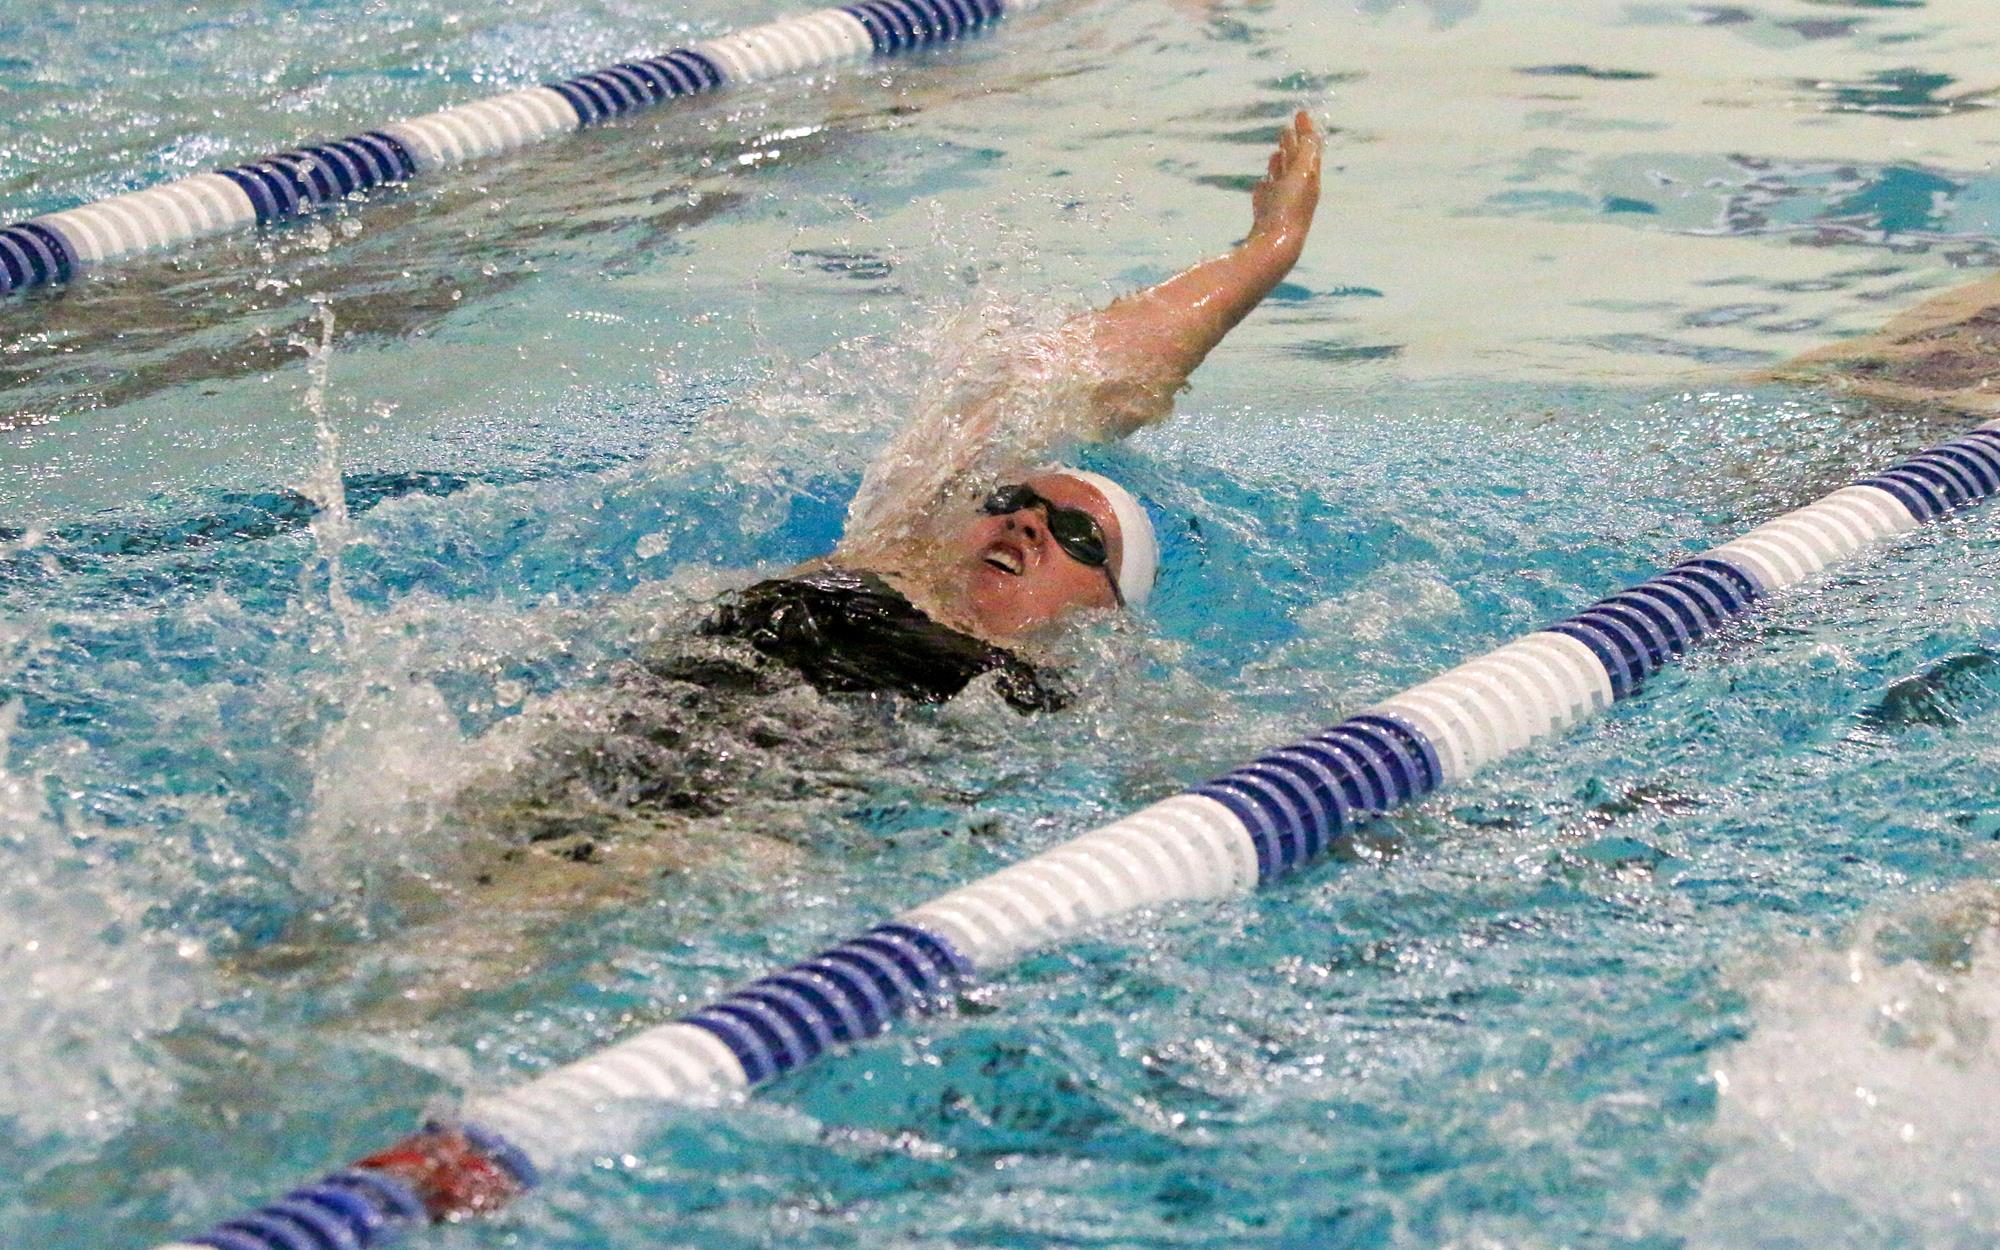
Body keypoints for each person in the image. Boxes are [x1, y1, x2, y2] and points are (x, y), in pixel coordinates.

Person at [701, 110, 1325, 712]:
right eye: (1010, 501)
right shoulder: (891, 555)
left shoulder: (1058, 699)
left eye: (1078, 536)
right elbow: (1044, 378)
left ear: (1105, 612)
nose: (1029, 523)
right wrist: (1264, 253)